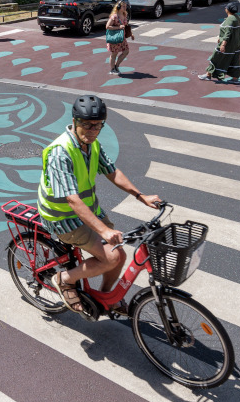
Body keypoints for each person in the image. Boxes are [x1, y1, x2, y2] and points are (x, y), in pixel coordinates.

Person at [37, 96, 162, 315]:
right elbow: (71, 199)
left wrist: (141, 196)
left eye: (97, 125)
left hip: (87, 211)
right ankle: (63, 279)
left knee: (119, 256)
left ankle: (105, 297)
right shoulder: (60, 152)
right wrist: (103, 230)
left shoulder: (92, 144)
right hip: (62, 217)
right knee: (112, 257)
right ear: (74, 121)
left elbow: (112, 172)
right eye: (86, 124)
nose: (92, 130)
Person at [199, 3, 240, 82]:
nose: (225, 9)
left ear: (228, 10)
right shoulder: (236, 17)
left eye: (226, 8)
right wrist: (220, 37)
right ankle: (235, 78)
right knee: (234, 59)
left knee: (216, 57)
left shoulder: (230, 19)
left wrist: (223, 44)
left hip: (228, 43)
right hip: (236, 43)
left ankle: (208, 75)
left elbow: (228, 33)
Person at [104, 0, 131, 74]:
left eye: (126, 6)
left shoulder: (124, 14)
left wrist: (130, 34)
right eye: (123, 6)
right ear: (118, 7)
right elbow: (107, 26)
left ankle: (116, 66)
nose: (125, 8)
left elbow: (126, 25)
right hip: (115, 37)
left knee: (126, 51)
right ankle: (112, 69)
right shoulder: (114, 16)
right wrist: (118, 27)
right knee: (114, 54)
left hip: (122, 37)